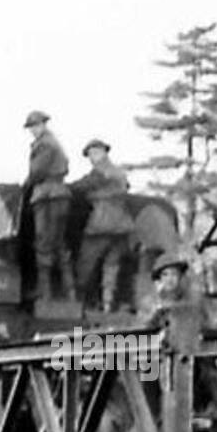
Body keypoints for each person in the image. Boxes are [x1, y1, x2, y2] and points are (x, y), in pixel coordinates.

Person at [71, 138, 132, 311]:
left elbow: (80, 186)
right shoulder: (120, 172)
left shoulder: (100, 172)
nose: (92, 157)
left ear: (104, 152)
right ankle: (107, 304)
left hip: (101, 226)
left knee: (85, 264)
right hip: (122, 227)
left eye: (94, 153)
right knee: (111, 266)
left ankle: (78, 304)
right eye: (90, 155)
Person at [22, 110, 75, 301]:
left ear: (44, 125)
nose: (34, 130)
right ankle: (70, 293)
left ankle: (46, 294)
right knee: (59, 244)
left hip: (47, 196)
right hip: (59, 194)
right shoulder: (55, 144)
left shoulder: (44, 144)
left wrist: (26, 186)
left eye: (36, 126)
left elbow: (37, 171)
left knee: (44, 243)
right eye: (32, 127)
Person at [147, 251, 190, 325]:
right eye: (165, 274)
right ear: (159, 278)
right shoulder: (152, 302)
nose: (169, 279)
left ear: (180, 276)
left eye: (174, 274)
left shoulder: (188, 298)